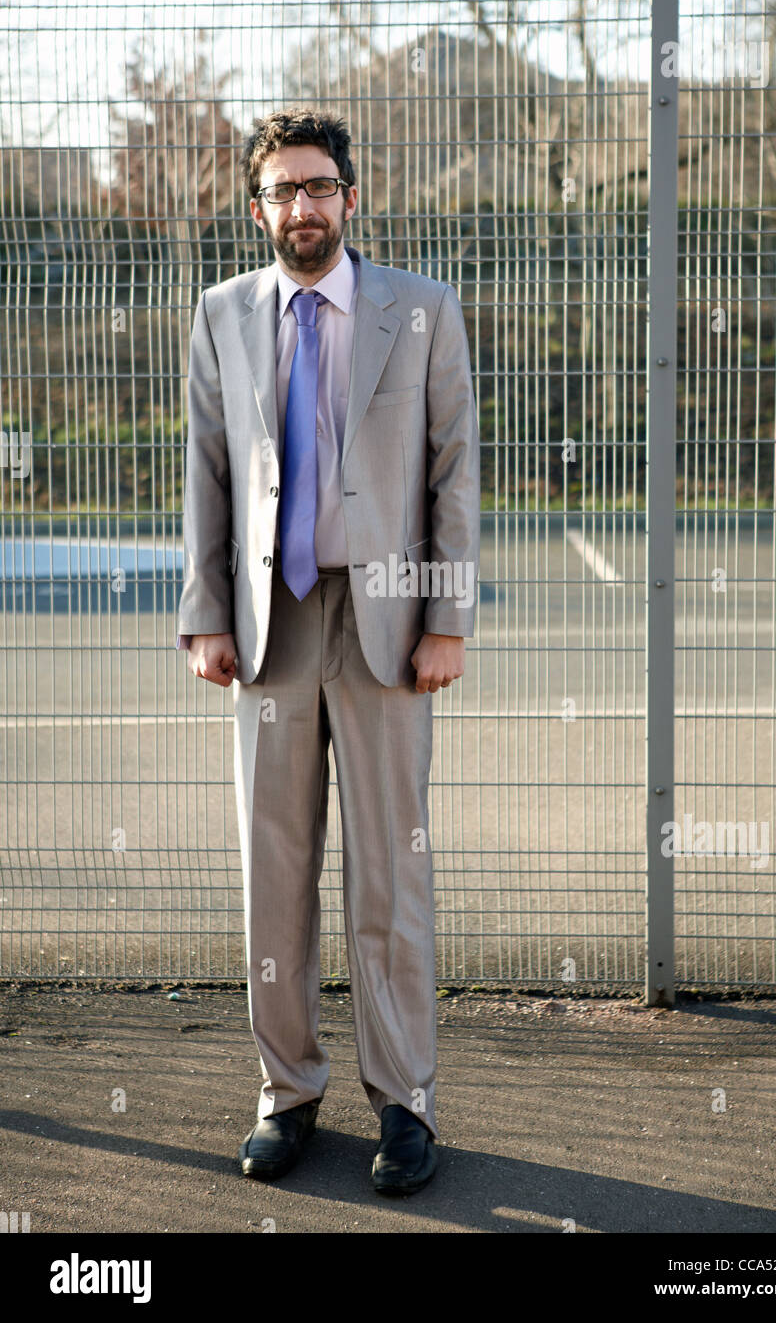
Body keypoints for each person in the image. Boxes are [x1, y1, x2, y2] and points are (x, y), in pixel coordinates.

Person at [175, 108, 480, 1196]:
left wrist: (447, 617)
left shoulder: (422, 310)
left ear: (353, 198)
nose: (300, 206)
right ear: (258, 209)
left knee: (390, 869)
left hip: (391, 617)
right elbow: (208, 471)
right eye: (280, 191)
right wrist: (206, 614)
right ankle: (286, 1090)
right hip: (272, 620)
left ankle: (403, 1102)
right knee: (276, 867)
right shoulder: (222, 314)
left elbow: (452, 469)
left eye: (318, 186)